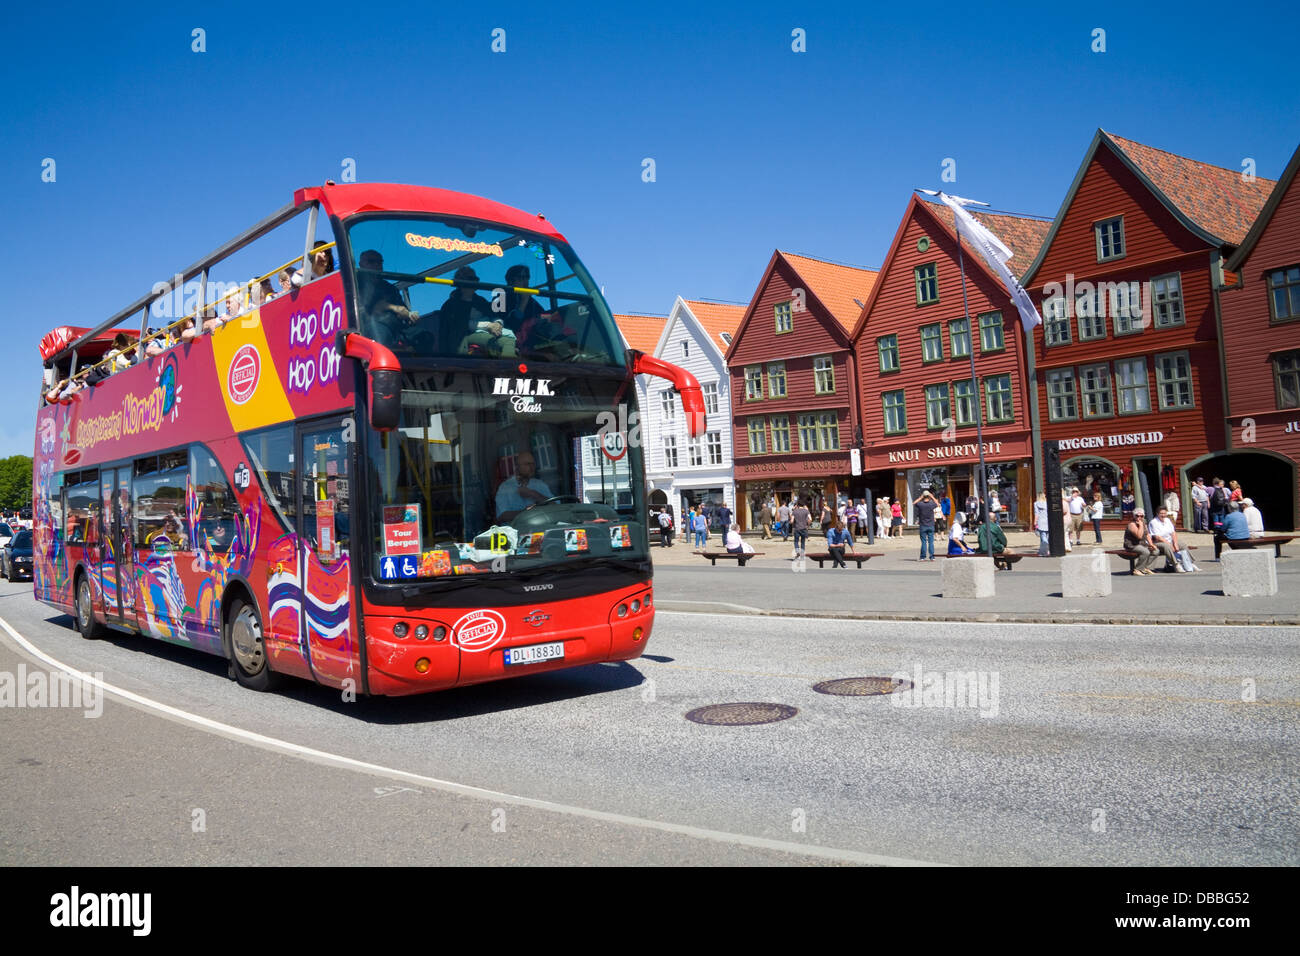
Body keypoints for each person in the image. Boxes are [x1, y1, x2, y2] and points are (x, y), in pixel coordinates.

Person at [357, 250, 420, 347]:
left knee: (424, 336)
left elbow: (402, 310)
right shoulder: (354, 284)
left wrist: (410, 316)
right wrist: (390, 307)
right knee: (379, 332)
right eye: (371, 262)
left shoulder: (390, 288)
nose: (376, 265)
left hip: (396, 328)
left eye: (379, 262)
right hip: (368, 329)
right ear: (361, 265)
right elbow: (363, 313)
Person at [494, 451, 553, 522]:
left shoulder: (540, 485)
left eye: (533, 464)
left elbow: (556, 507)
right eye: (527, 464)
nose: (531, 467)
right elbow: (501, 516)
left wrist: (534, 494)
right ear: (517, 467)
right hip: (515, 530)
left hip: (541, 527)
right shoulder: (505, 487)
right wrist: (527, 513)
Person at [1149, 506, 1196, 572]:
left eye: (1164, 513)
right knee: (1166, 546)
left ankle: (1190, 563)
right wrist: (1169, 544)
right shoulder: (1153, 522)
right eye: (1161, 513)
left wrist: (1175, 544)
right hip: (1157, 542)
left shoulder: (1167, 520)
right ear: (1157, 514)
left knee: (1182, 544)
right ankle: (1176, 564)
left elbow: (1173, 533)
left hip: (1169, 541)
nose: (1163, 515)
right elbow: (1157, 537)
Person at [1123, 508, 1158, 575]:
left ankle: (1146, 567)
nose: (1139, 517)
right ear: (1134, 516)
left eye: (1141, 516)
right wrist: (1141, 525)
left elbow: (1147, 534)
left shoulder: (1143, 522)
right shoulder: (1131, 524)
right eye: (1137, 515)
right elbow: (1139, 536)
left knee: (1156, 551)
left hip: (1142, 544)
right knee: (1145, 551)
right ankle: (1137, 569)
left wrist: (1151, 544)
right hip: (1132, 545)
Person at [915, 490, 939, 561]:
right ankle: (932, 556)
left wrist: (920, 497)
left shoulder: (920, 504)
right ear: (929, 497)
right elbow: (938, 504)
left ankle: (923, 557)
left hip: (923, 525)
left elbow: (914, 503)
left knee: (923, 542)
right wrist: (932, 496)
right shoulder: (931, 504)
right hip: (931, 525)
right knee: (931, 542)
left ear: (923, 497)